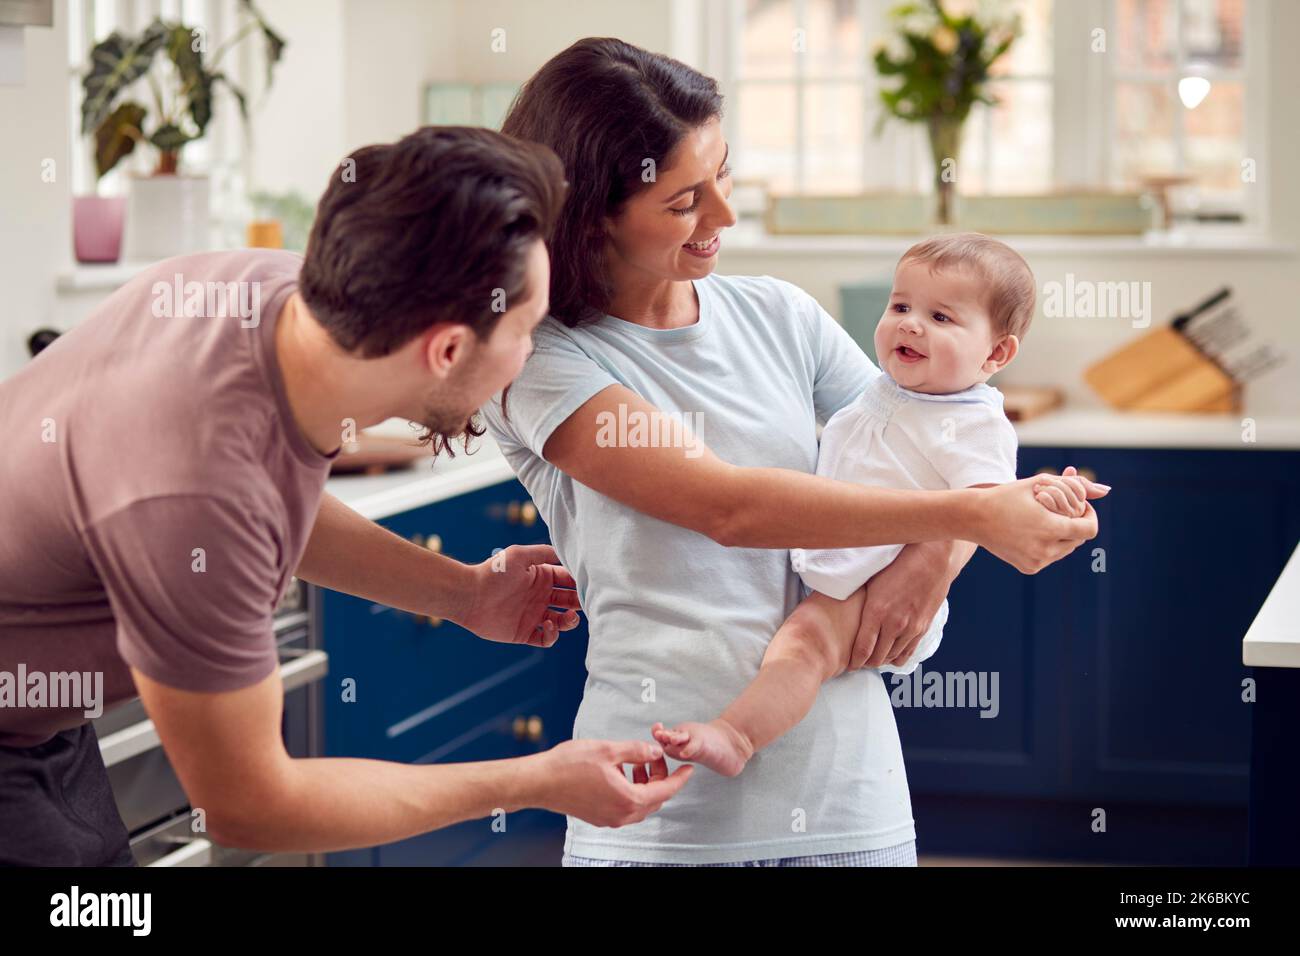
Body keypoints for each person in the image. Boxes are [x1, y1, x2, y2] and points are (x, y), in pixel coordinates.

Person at [482, 37, 1103, 867]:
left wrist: (940, 550)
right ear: (592, 210)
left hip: (850, 800)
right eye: (685, 201)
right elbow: (728, 508)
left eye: (724, 176)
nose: (724, 216)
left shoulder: (779, 314)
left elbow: (931, 439)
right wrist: (972, 518)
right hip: (659, 818)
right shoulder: (539, 359)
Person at [0, 126, 691, 867]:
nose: (528, 358)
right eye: (524, 332)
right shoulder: (190, 488)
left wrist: (466, 594)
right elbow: (250, 804)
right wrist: (536, 781)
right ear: (447, 350)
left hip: (41, 720)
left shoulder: (278, 300)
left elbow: (268, 501)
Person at [652, 232, 1108, 776]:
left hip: (874, 583)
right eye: (901, 306)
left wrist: (1048, 495)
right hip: (844, 565)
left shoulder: (973, 421)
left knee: (803, 647)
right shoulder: (892, 387)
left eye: (941, 317)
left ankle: (736, 736)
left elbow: (991, 507)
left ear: (996, 354)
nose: (910, 325)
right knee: (799, 643)